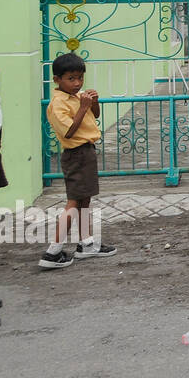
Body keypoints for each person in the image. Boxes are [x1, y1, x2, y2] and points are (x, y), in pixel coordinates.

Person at [41, 53, 115, 269]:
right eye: (71, 79)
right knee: (73, 202)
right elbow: (69, 132)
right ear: (57, 80)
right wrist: (83, 107)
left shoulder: (77, 96)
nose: (77, 83)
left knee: (85, 200)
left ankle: (87, 243)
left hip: (87, 152)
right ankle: (52, 252)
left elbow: (95, 116)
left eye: (80, 78)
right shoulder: (57, 104)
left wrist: (94, 102)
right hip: (75, 154)